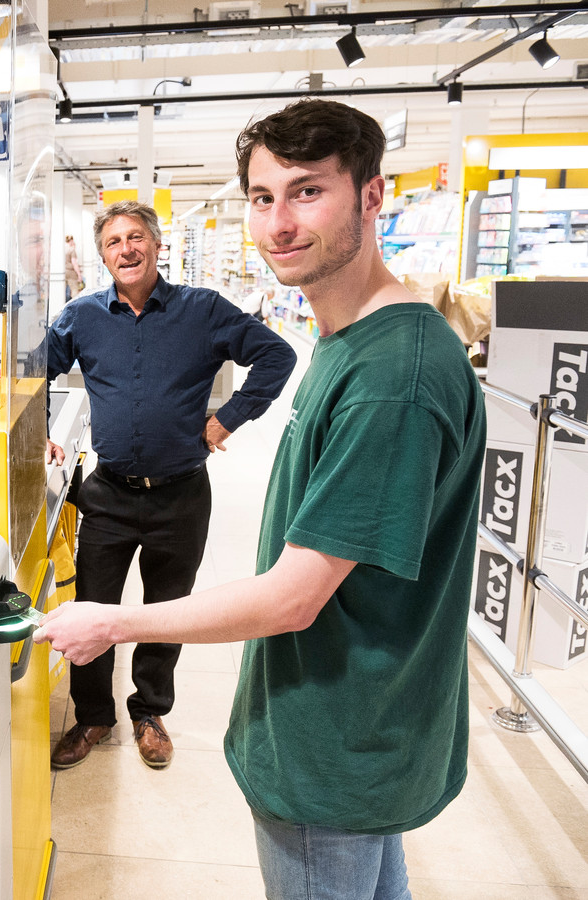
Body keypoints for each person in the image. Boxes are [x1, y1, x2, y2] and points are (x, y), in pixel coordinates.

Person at [35, 99, 485, 899]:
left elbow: (292, 599)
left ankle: (144, 708)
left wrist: (110, 619)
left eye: (307, 191)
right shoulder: (356, 340)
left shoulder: (391, 379)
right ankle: (97, 715)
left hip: (336, 742)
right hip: (343, 727)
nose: (278, 221)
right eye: (261, 196)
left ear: (371, 195)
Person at [41, 199, 296, 772]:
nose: (125, 249)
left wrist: (230, 417)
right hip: (107, 494)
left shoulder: (202, 311)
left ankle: (149, 712)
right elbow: (33, 371)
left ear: (157, 246)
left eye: (136, 238)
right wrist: (38, 433)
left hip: (181, 495)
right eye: (113, 242)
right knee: (91, 607)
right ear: (102, 254)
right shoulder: (81, 317)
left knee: (167, 608)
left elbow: (275, 356)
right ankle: (92, 716)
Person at [63, 234, 83, 302]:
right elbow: (74, 263)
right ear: (71, 240)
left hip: (64, 272)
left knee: (63, 291)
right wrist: (79, 275)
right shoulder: (72, 250)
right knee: (75, 290)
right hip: (71, 272)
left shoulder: (63, 250)